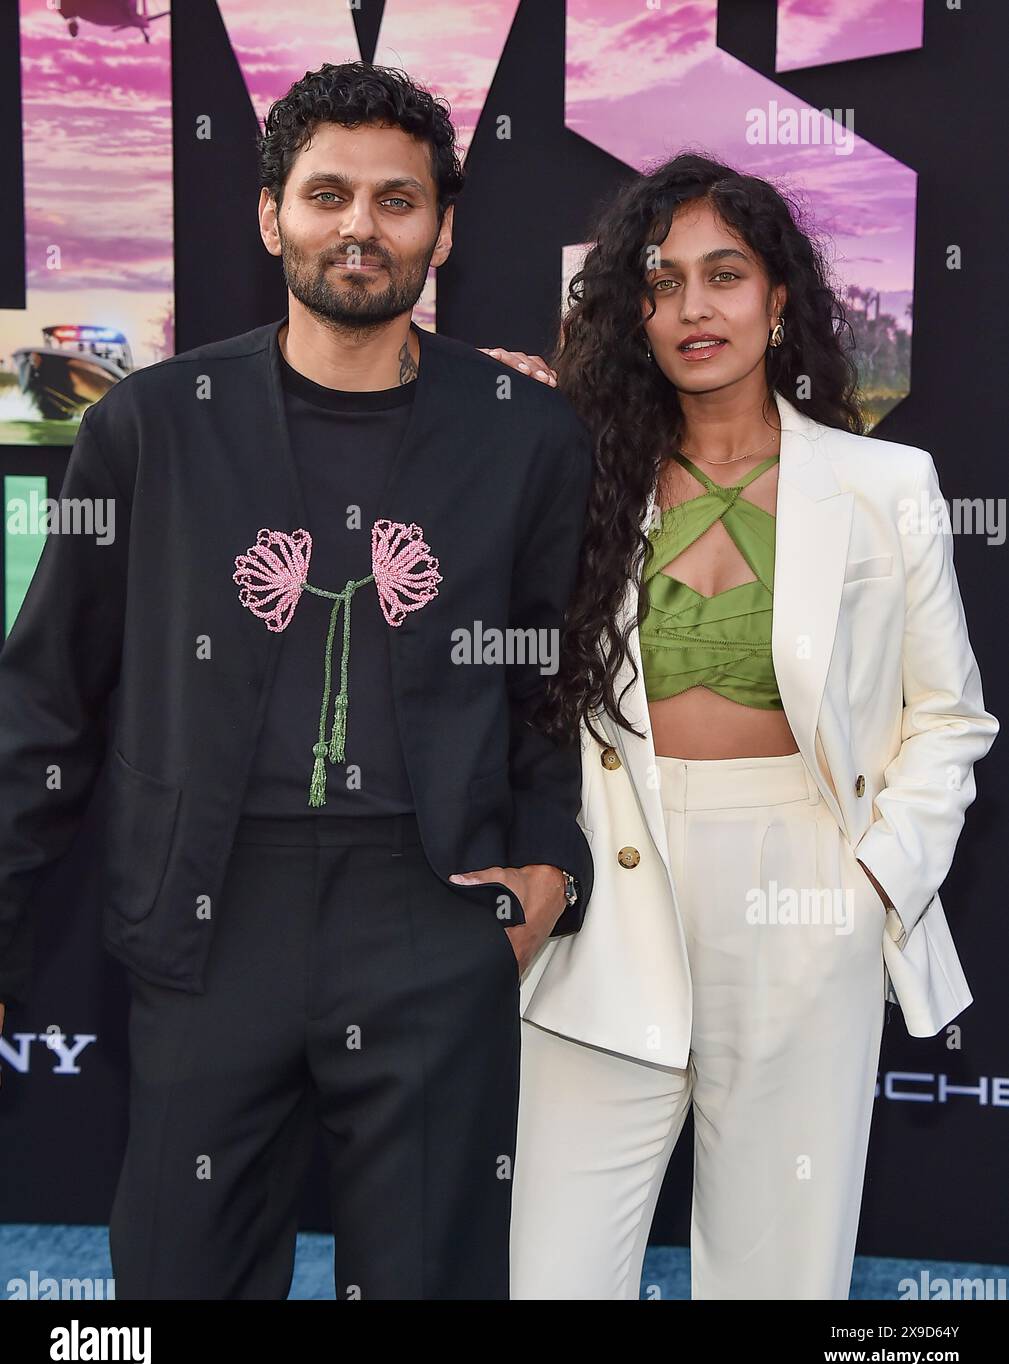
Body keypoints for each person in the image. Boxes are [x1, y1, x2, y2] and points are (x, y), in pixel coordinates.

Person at [0, 61, 593, 1300]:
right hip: (209, 911)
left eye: (396, 199)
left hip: (433, 906)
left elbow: (551, 667)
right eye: (327, 195)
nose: (360, 228)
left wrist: (545, 862)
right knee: (177, 1283)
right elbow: (49, 696)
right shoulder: (150, 424)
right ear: (271, 216)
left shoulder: (525, 434)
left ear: (443, 228)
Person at [483, 151, 999, 1299]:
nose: (692, 308)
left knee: (779, 1275)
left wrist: (868, 889)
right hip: (609, 895)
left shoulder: (885, 484)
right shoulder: (577, 470)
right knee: (551, 1275)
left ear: (777, 301)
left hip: (806, 897)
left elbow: (949, 717)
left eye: (725, 276)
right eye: (661, 283)